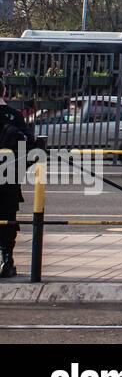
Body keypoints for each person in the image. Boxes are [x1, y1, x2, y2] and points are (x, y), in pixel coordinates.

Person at [0, 97, 36, 278]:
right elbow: (31, 148)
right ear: (4, 90)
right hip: (8, 179)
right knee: (7, 220)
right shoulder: (14, 116)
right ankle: (6, 261)